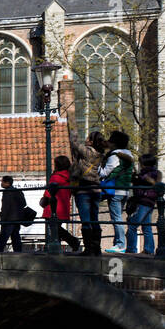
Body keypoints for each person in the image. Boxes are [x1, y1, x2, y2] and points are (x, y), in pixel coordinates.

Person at [65, 101, 106, 254]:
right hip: (96, 189)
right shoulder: (100, 154)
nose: (86, 139)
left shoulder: (88, 151)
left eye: (88, 138)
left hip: (83, 190)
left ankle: (89, 248)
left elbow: (74, 143)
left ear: (91, 141)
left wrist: (71, 119)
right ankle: (97, 248)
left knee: (86, 220)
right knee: (95, 218)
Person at [99, 130, 136, 254]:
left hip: (115, 190)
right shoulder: (129, 155)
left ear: (114, 143)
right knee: (118, 217)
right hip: (125, 190)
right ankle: (118, 243)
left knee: (116, 218)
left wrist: (96, 166)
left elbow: (105, 173)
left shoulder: (115, 155)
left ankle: (120, 244)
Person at [41, 156, 82, 253]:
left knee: (55, 228)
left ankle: (73, 242)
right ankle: (57, 247)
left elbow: (49, 192)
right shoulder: (69, 177)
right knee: (57, 228)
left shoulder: (56, 177)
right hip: (63, 206)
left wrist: (44, 200)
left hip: (53, 206)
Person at [128, 154, 160, 256]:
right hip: (149, 202)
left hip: (144, 201)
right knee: (146, 227)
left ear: (144, 163)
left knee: (132, 226)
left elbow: (153, 183)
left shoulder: (148, 174)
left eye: (141, 163)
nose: (140, 165)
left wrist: (139, 178)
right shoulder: (152, 173)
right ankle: (148, 250)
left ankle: (131, 249)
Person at [0, 175, 26, 253]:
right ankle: (18, 252)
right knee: (15, 237)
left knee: (3, 237)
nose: (1, 183)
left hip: (9, 219)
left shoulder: (7, 192)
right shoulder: (18, 191)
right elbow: (24, 203)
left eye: (2, 182)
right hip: (17, 218)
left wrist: (3, 217)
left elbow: (6, 207)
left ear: (7, 183)